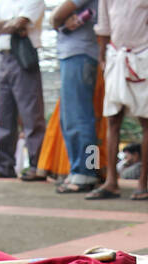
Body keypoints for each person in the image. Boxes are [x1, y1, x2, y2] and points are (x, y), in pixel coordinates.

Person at [88, 0, 148, 200]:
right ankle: (111, 182)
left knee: (146, 119)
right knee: (113, 118)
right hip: (115, 54)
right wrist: (102, 57)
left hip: (144, 53)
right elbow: (103, 26)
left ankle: (143, 182)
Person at [0, 0, 46, 181]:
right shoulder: (3, 2)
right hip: (2, 58)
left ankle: (36, 166)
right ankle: (4, 166)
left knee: (31, 114)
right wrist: (12, 24)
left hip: (23, 57)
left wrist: (2, 27)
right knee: (4, 114)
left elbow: (20, 23)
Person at [51, 0, 100, 193]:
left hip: (79, 54)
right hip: (79, 54)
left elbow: (56, 16)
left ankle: (87, 172)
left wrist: (56, 22)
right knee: (76, 117)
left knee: (79, 118)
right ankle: (84, 169)